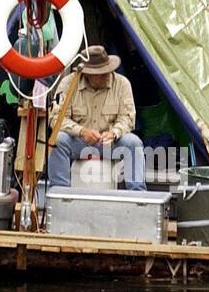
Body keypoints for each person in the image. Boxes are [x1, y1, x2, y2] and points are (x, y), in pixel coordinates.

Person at [47, 46, 146, 191]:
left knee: (133, 142)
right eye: (101, 73)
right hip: (78, 142)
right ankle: (59, 193)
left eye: (108, 70)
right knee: (58, 140)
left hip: (111, 143)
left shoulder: (122, 83)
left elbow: (128, 117)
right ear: (88, 74)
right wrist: (81, 131)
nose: (107, 75)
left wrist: (114, 133)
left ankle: (138, 196)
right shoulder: (68, 84)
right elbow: (56, 119)